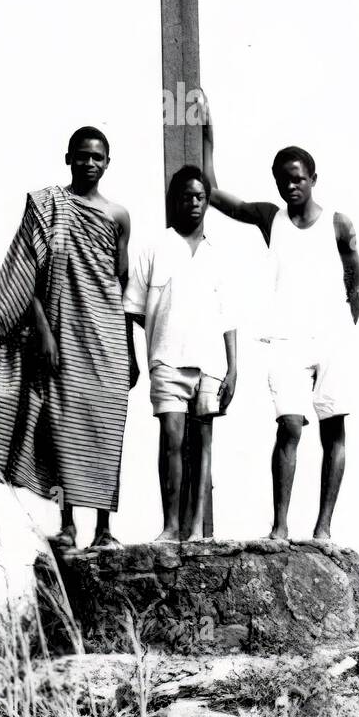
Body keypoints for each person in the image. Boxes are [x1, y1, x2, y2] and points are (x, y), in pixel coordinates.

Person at [0, 126, 139, 549]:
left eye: (98, 157)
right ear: (68, 158)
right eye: (82, 156)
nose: (90, 163)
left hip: (109, 337)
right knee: (61, 429)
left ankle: (104, 529)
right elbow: (29, 279)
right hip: (63, 332)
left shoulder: (118, 216)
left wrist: (131, 350)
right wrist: (44, 333)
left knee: (106, 431)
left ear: (108, 162)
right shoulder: (48, 208)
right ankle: (68, 525)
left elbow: (122, 281)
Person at [198, 94, 359, 541]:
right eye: (283, 181)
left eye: (298, 180)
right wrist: (209, 133)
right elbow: (214, 195)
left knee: (333, 428)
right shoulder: (272, 220)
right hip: (286, 340)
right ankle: (280, 525)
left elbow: (356, 281)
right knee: (289, 425)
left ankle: (324, 525)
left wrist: (343, 331)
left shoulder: (338, 224)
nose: (291, 188)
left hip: (330, 338)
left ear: (312, 179)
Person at [124, 166, 237, 542]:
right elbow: (134, 309)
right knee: (171, 438)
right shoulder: (155, 248)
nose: (193, 203)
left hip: (210, 366)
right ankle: (170, 526)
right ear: (175, 201)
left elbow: (228, 318)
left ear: (207, 202)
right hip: (168, 361)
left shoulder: (218, 256)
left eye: (199, 197)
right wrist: (155, 344)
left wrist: (233, 368)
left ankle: (193, 531)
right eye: (186, 196)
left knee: (203, 445)